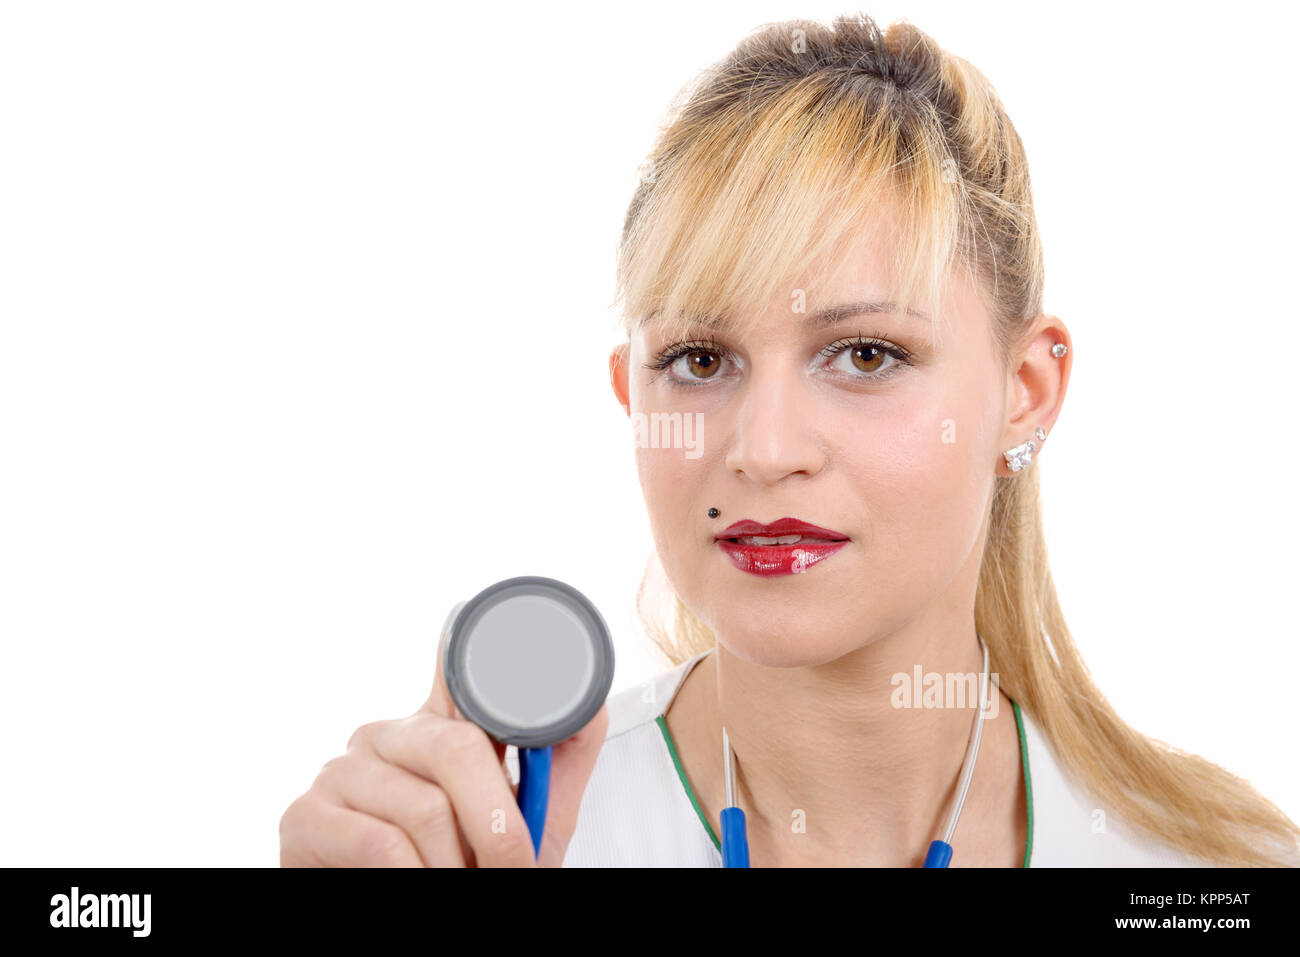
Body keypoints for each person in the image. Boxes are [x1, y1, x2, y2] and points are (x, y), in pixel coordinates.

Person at [279, 12, 1300, 868]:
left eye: (863, 356)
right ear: (632, 397)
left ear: (1025, 393)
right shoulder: (497, 845)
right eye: (699, 360)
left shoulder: (1207, 867)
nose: (764, 451)